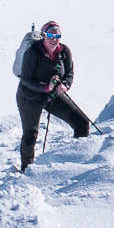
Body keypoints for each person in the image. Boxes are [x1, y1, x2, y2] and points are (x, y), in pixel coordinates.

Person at [16, 20, 91, 171]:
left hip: (52, 95)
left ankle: (76, 163)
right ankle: (26, 170)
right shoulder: (33, 52)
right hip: (29, 97)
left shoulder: (64, 51)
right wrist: (46, 87)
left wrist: (65, 85)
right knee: (31, 134)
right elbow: (26, 79)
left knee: (82, 123)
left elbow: (69, 73)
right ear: (44, 35)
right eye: (50, 35)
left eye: (58, 36)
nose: (54, 39)